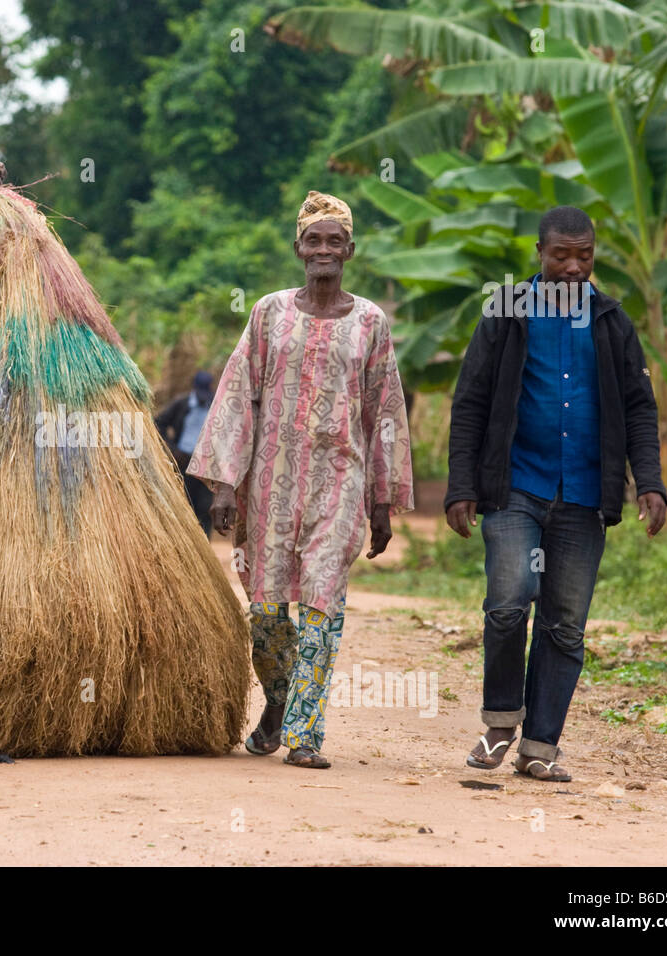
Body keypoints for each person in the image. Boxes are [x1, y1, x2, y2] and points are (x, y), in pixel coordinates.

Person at [188, 191, 415, 770]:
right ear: (298, 249)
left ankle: (305, 732)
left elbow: (383, 411)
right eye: (313, 240)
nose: (323, 250)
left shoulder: (370, 322)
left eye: (334, 241)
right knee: (265, 611)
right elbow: (239, 396)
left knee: (320, 602)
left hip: (339, 480)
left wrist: (382, 500)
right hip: (270, 483)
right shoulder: (268, 313)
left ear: (350, 251)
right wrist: (223, 485)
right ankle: (281, 700)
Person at [447, 205, 667, 782]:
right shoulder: (506, 313)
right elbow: (470, 401)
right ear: (539, 255)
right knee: (509, 600)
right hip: (515, 487)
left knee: (566, 625)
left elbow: (641, 409)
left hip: (584, 495)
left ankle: (540, 747)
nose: (574, 266)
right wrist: (461, 486)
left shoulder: (612, 320)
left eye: (585, 255)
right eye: (561, 255)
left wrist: (650, 482)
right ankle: (500, 722)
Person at [155, 370, 215, 534]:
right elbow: (158, 423)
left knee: (204, 508)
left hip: (205, 465)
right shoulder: (181, 404)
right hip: (183, 462)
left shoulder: (215, 405)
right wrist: (172, 450)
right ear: (194, 388)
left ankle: (204, 549)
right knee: (183, 505)